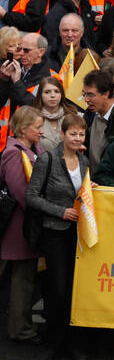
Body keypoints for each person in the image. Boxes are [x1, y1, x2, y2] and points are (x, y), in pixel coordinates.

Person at [25, 111, 90, 360]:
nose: (76, 137)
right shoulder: (47, 160)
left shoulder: (84, 161)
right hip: (54, 232)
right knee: (57, 289)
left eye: (81, 133)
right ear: (62, 135)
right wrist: (61, 212)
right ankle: (53, 342)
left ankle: (72, 343)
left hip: (79, 235)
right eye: (72, 133)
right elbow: (32, 196)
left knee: (75, 290)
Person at [0, 105, 44, 342]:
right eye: (37, 127)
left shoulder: (28, 149)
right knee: (22, 281)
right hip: (18, 228)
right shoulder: (15, 154)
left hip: (22, 226)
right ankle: (21, 330)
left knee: (22, 279)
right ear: (24, 129)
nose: (41, 131)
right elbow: (22, 193)